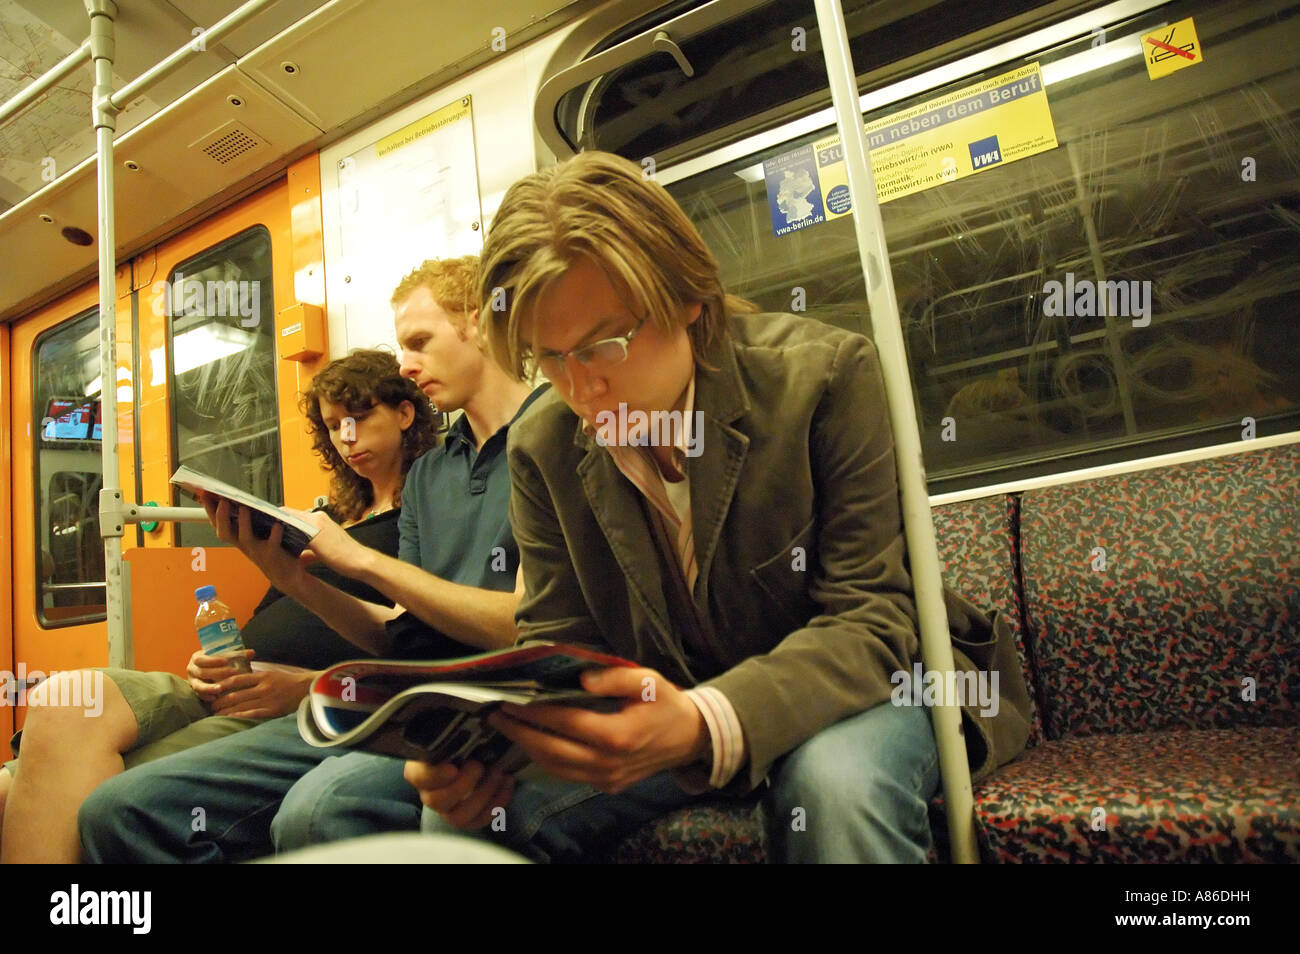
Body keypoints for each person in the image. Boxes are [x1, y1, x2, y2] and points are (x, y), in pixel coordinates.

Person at [406, 151, 1033, 863]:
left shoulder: (823, 378)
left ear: (688, 299)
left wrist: (707, 720)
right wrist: (491, 748)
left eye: (603, 346)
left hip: (876, 683)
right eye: (549, 358)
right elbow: (558, 640)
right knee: (464, 824)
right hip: (679, 707)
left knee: (834, 785)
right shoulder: (543, 445)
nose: (580, 390)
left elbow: (870, 618)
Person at [77, 255, 546, 863]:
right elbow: (398, 638)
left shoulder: (550, 434)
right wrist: (285, 575)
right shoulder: (434, 473)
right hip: (405, 699)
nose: (406, 364)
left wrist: (362, 562)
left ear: (480, 322)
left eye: (420, 342)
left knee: (320, 811)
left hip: (490, 705)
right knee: (117, 811)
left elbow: (529, 624)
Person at [0, 349, 438, 864]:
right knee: (65, 699)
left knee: (51, 789)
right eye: (334, 424)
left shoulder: (426, 514)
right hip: (231, 678)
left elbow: (419, 641)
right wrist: (212, 660)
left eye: (359, 418)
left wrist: (307, 683)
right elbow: (277, 613)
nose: (347, 437)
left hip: (298, 697)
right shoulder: (328, 518)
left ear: (404, 414)